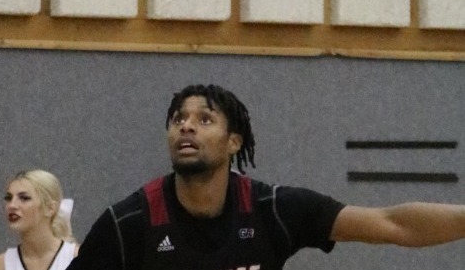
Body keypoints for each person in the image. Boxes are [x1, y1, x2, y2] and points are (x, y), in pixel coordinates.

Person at [68, 83, 465, 270]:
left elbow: (391, 223)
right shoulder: (129, 224)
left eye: (204, 119)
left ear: (234, 142)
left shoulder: (271, 210)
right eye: (178, 120)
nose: (186, 127)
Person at [0, 170, 77, 270]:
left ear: (50, 208)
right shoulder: (0, 265)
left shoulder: (77, 257)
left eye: (24, 198)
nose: (11, 205)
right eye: (8, 198)